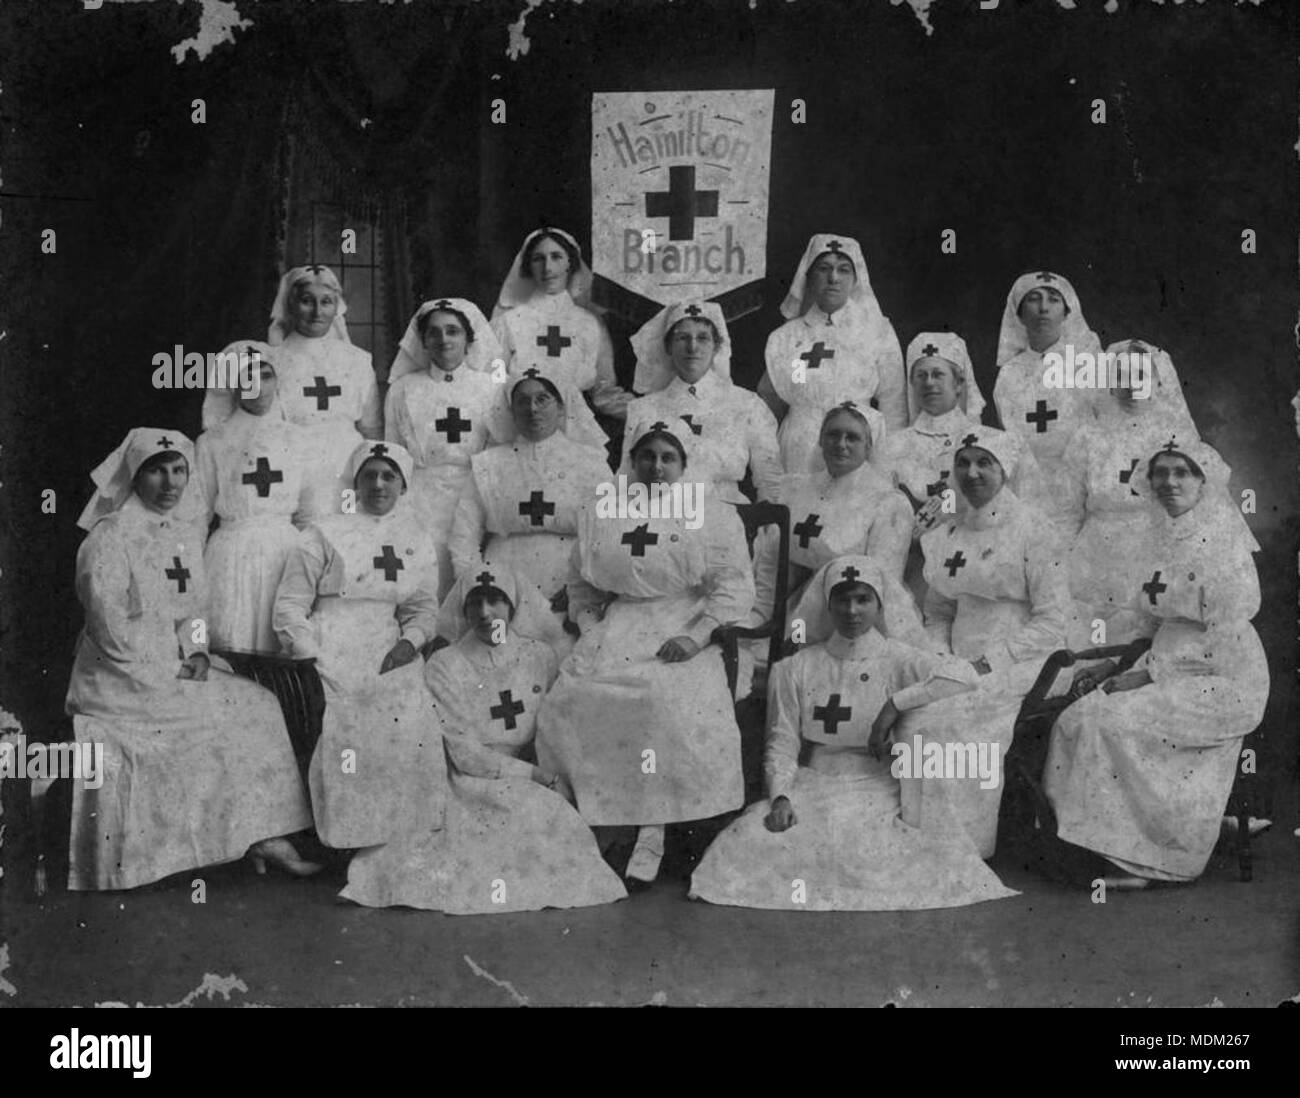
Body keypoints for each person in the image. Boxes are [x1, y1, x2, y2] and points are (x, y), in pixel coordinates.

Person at [689, 556, 1016, 910]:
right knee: (745, 842)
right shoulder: (795, 668)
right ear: (826, 604)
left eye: (863, 599)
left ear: (880, 604)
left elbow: (964, 676)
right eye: (842, 600)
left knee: (866, 847)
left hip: (877, 784)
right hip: (815, 782)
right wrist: (781, 796)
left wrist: (897, 702)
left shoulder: (901, 659)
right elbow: (782, 742)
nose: (852, 611)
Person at [66, 428, 317, 890]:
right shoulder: (109, 538)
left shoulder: (183, 535)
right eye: (156, 471)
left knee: (258, 705)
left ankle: (265, 835)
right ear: (133, 476)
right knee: (206, 718)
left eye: (179, 469)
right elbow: (109, 629)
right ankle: (182, 851)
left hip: (175, 666)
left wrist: (198, 651)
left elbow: (193, 611)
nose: (170, 482)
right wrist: (168, 667)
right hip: (118, 675)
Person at [536, 417, 754, 887]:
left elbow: (733, 587)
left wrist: (697, 636)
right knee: (571, 698)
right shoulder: (605, 510)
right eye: (647, 456)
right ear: (631, 461)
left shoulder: (711, 514)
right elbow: (579, 582)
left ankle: (652, 832)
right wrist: (591, 625)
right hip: (621, 622)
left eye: (667, 457)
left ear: (683, 464)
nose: (656, 467)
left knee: (659, 701)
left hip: (684, 624)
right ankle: (601, 824)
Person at [1043, 440, 1268, 887]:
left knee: (1115, 721)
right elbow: (1150, 623)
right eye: (1160, 473)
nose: (1168, 482)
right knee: (1077, 718)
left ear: (1203, 480)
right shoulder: (1157, 539)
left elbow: (1225, 630)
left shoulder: (1224, 539)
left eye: (1181, 473)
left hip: (1223, 677)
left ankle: (1147, 858)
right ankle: (1112, 844)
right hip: (1166, 663)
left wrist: (1149, 675)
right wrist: (1115, 668)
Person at [340, 566, 627, 913]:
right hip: (467, 780)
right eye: (475, 603)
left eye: (496, 601)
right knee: (533, 814)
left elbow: (558, 720)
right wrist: (536, 777)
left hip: (530, 767)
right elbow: (464, 754)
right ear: (463, 610)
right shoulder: (446, 664)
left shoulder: (539, 655)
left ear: (514, 606)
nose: (485, 613)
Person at [895, 427, 1072, 858]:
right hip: (958, 659)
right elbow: (938, 610)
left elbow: (1053, 620)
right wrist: (941, 653)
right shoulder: (948, 533)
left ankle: (960, 849)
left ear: (1005, 470)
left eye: (984, 463)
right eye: (963, 463)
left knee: (946, 724)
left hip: (1023, 660)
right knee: (912, 717)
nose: (972, 473)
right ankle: (914, 841)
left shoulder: (1035, 530)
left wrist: (989, 663)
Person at [272, 440, 444, 850]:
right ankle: (352, 836)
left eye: (389, 476)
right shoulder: (324, 532)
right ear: (355, 482)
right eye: (370, 475)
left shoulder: (416, 538)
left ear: (403, 486)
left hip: (388, 646)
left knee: (409, 713)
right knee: (346, 721)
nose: (379, 484)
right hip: (331, 643)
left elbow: (423, 610)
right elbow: (290, 605)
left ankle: (402, 832)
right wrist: (308, 654)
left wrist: (409, 645)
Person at [204, 265, 382, 521]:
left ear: (337, 306)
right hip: (290, 468)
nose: (318, 312)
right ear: (291, 304)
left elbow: (371, 430)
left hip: (347, 467)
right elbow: (226, 429)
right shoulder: (269, 359)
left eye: (327, 302)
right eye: (307, 301)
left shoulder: (357, 361)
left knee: (349, 532)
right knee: (300, 538)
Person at [1058, 340, 1199, 646]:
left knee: (1140, 640)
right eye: (1121, 374)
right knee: (1089, 643)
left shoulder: (1176, 438)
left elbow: (1198, 509)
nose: (1132, 382)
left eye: (1141, 373)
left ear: (1159, 381)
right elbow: (1066, 511)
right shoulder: (1088, 437)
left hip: (1153, 550)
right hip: (1094, 556)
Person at [751, 402, 922, 653]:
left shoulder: (888, 502)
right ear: (820, 440)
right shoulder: (794, 490)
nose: (841, 444)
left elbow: (883, 582)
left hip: (852, 612)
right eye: (833, 434)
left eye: (852, 437)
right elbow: (771, 562)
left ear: (868, 447)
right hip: (795, 607)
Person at [447, 373, 612, 612]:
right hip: (501, 586)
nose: (532, 409)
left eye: (542, 399)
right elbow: (464, 534)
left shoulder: (591, 463)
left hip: (572, 582)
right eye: (522, 402)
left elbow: (607, 534)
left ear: (562, 407)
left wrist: (582, 588)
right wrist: (478, 588)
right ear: (511, 412)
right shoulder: (489, 465)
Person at [194, 342, 314, 653]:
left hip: (286, 550)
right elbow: (198, 514)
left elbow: (310, 513)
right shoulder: (211, 442)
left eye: (266, 374)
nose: (259, 385)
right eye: (247, 376)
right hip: (230, 553)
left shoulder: (299, 439)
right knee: (229, 636)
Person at [385, 298, 507, 597]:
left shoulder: (491, 388)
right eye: (434, 332)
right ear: (422, 341)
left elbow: (500, 455)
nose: (443, 339)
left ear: (469, 339)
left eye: (453, 331)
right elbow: (393, 453)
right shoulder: (403, 388)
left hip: (475, 494)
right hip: (420, 500)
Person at [759, 234, 908, 470]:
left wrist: (891, 465)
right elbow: (770, 402)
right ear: (808, 277)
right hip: (800, 447)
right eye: (824, 268)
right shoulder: (787, 336)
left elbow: (894, 401)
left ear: (856, 278)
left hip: (856, 444)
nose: (833, 278)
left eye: (844, 269)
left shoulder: (877, 331)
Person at [624, 300, 782, 505]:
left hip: (729, 516)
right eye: (682, 338)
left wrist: (766, 521)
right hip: (660, 517)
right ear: (668, 347)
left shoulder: (747, 404)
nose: (692, 347)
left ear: (717, 347)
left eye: (703, 338)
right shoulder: (642, 409)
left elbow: (769, 477)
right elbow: (627, 480)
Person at [491, 226, 630, 450]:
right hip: (519, 429)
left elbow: (605, 392)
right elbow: (493, 382)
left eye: (556, 257)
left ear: (570, 263)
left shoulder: (589, 323)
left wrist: (650, 412)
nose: (547, 267)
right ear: (528, 266)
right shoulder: (508, 323)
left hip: (578, 430)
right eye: (538, 259)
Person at [991, 271, 1102, 530]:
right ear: (1018, 313)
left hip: (1081, 487)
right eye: (1033, 299)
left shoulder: (1086, 364)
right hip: (1027, 492)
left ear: (1066, 312)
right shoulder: (1009, 374)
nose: (1043, 308)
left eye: (1053, 300)